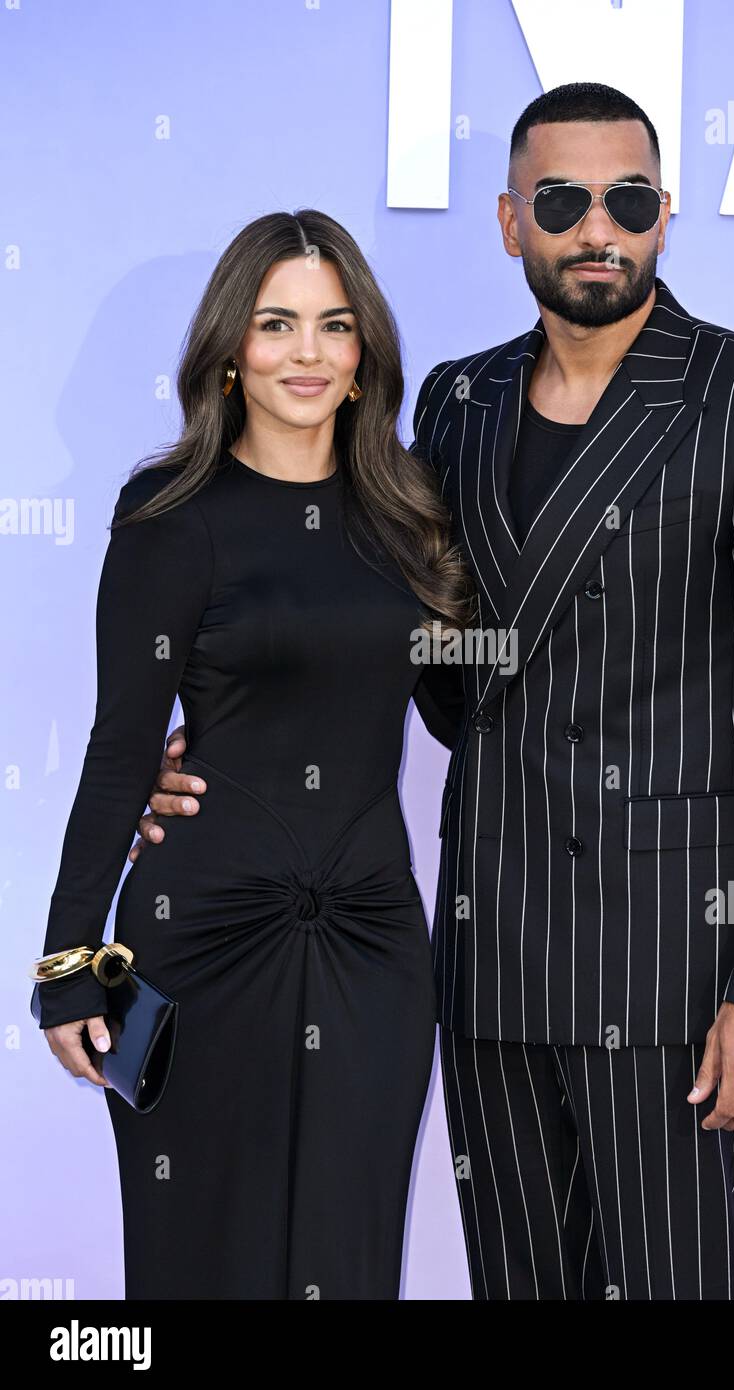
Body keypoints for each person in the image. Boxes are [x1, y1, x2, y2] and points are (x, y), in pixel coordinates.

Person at [130, 84, 734, 1301]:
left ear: (665, 217)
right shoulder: (458, 404)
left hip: (676, 972)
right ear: (510, 221)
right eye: (565, 200)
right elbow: (429, 666)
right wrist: (238, 742)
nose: (599, 227)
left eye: (628, 200)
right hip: (487, 958)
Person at [32, 208, 474, 1300]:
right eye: (278, 324)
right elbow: (122, 744)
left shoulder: (412, 515)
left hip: (374, 943)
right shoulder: (170, 512)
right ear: (232, 350)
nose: (307, 354)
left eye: (334, 325)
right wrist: (65, 961)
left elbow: (463, 717)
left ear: (366, 352)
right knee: (200, 1261)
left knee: (347, 1256)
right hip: (199, 937)